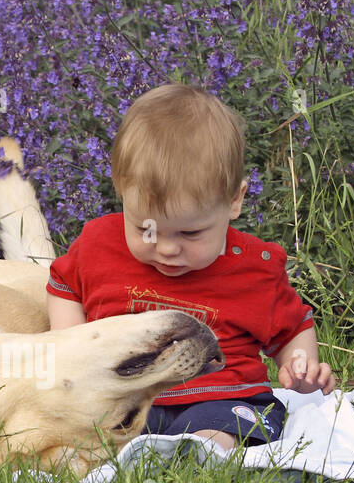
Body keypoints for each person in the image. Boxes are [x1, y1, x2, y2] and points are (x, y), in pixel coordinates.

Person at [47, 83, 337, 450]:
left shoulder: (254, 268)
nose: (168, 248)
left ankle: (201, 455)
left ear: (235, 201)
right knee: (93, 432)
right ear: (121, 190)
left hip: (224, 396)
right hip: (130, 396)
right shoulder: (99, 245)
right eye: (146, 229)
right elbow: (63, 285)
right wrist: (69, 346)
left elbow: (293, 327)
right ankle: (139, 451)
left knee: (219, 432)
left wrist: (301, 366)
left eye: (190, 232)